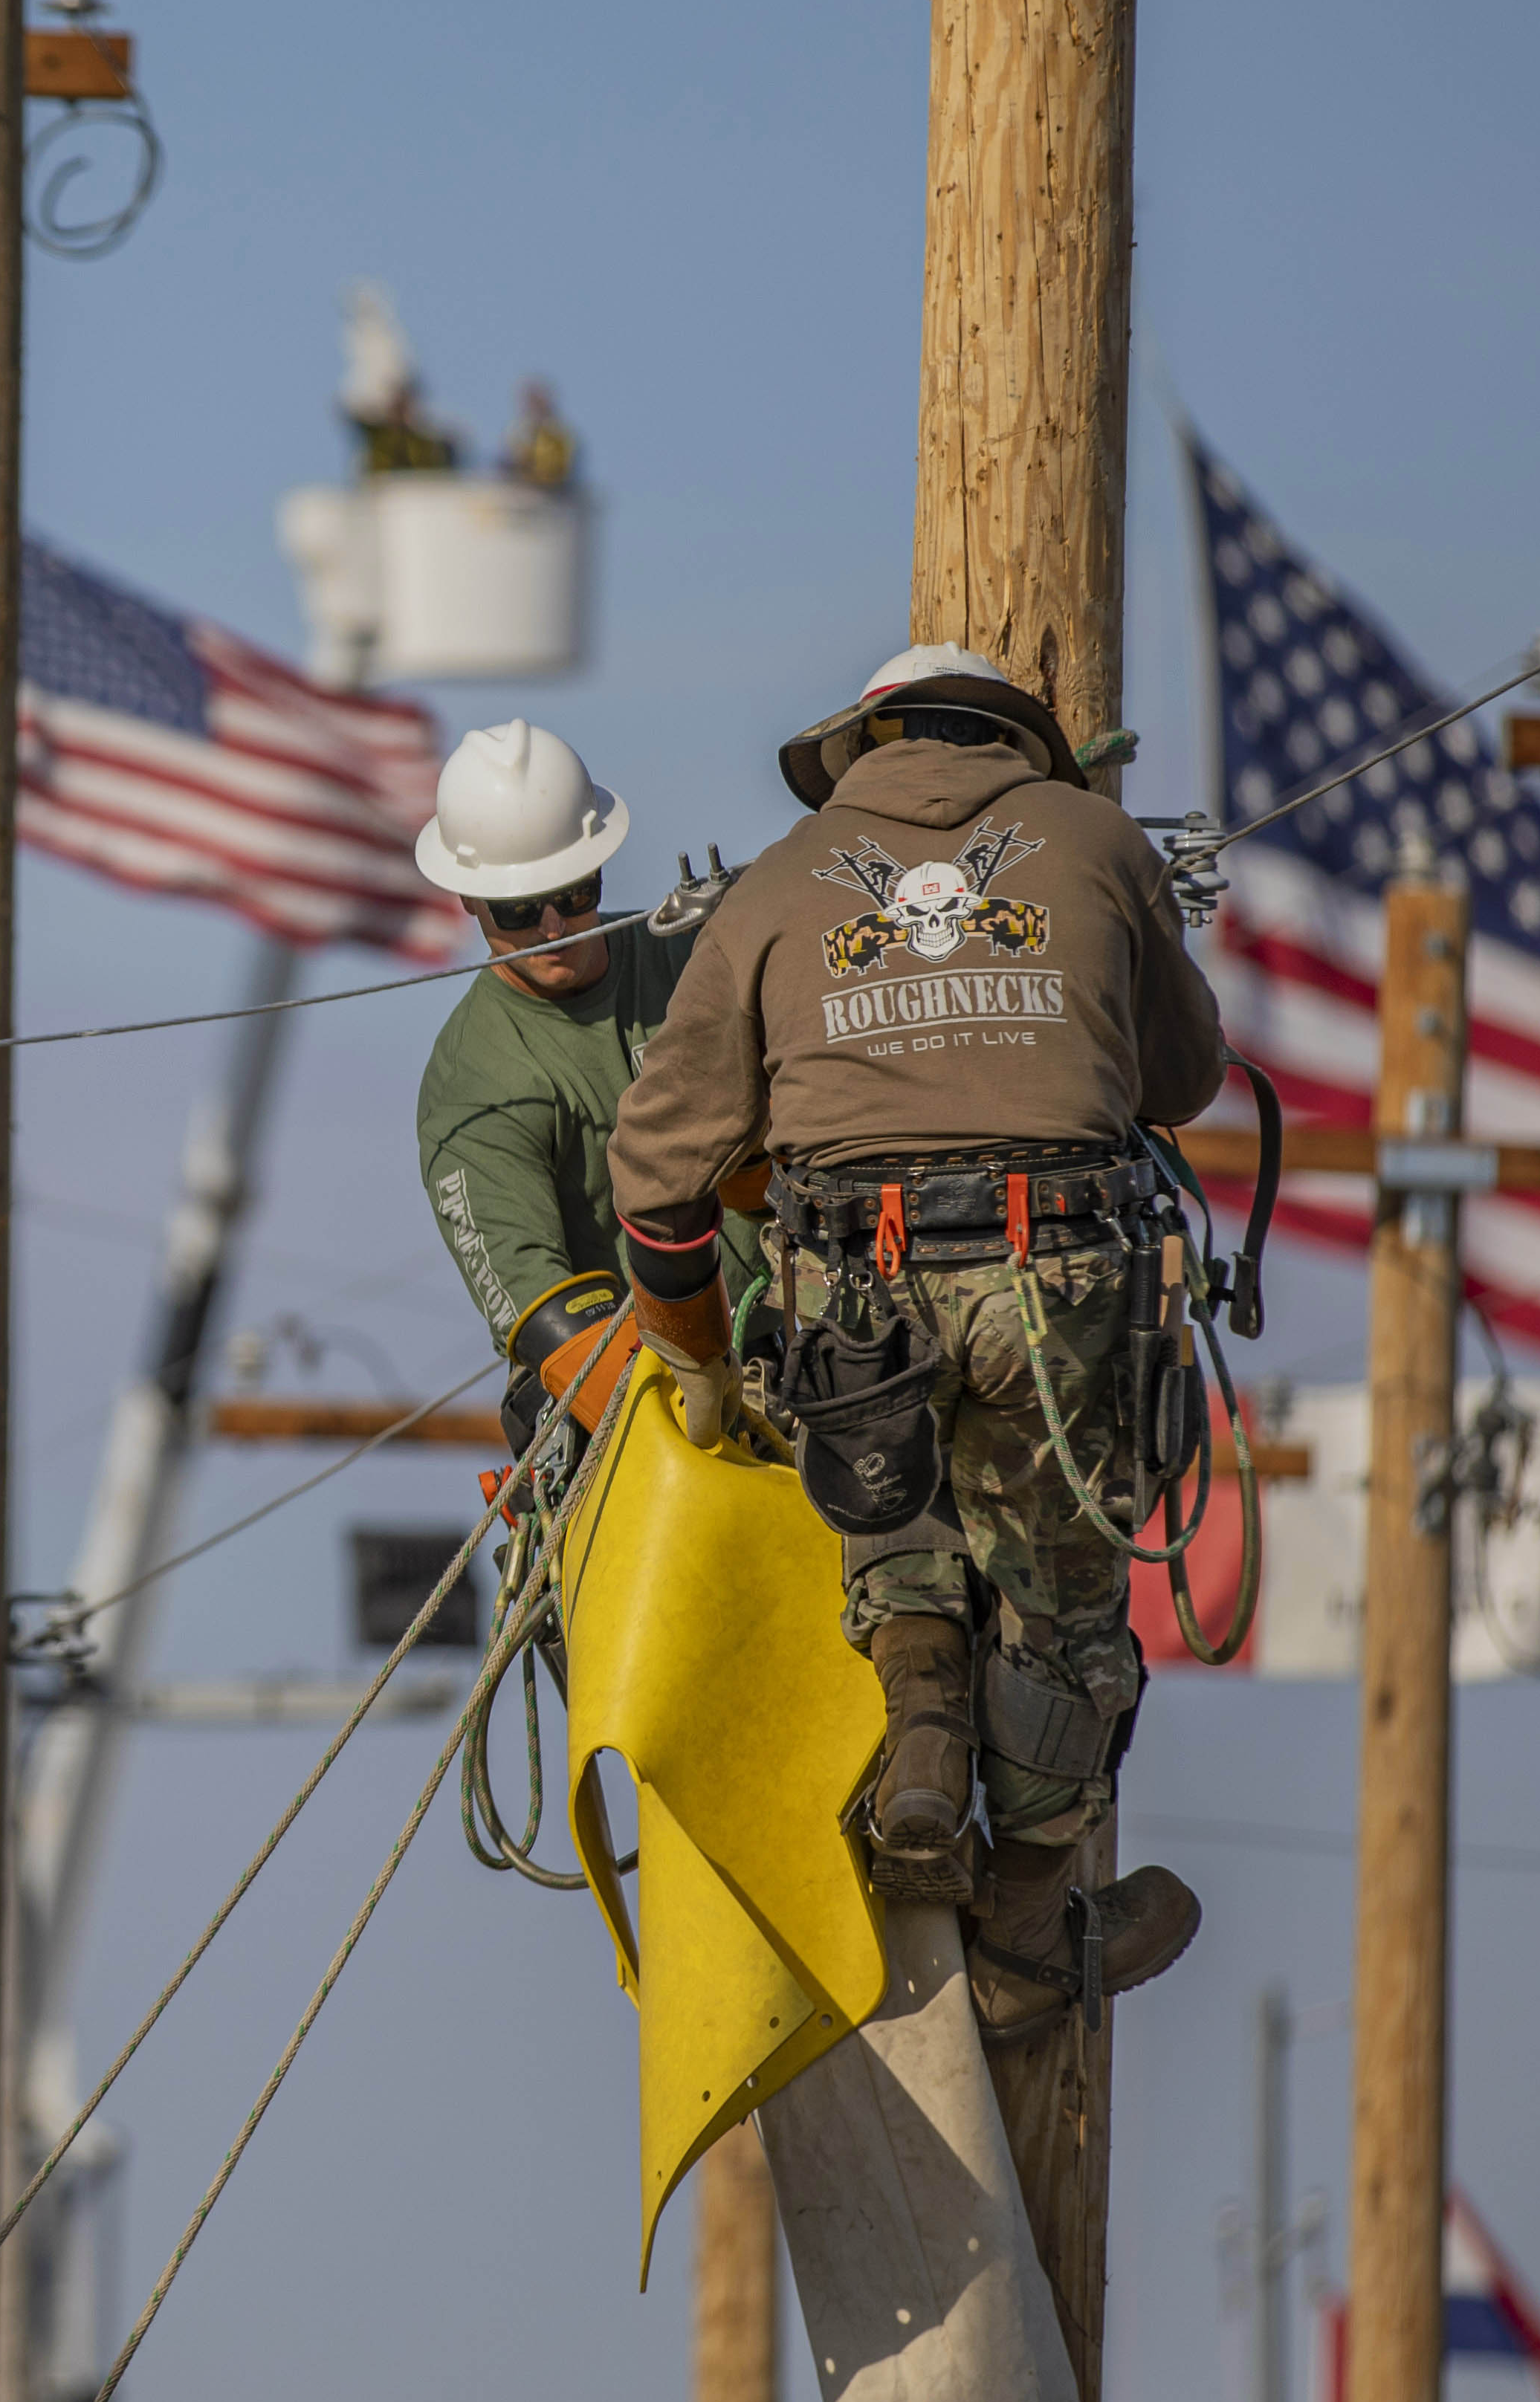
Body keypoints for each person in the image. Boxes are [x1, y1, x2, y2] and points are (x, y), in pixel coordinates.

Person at [606, 642, 1223, 2034]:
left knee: (897, 1524)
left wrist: (700, 1356)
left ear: (867, 748)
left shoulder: (773, 888)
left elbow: (655, 1175)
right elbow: (1183, 1082)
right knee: (1059, 1603)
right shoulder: (1099, 842)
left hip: (848, 1289)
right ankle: (1017, 1941)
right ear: (1017, 742)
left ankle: (928, 1756)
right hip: (1050, 1274)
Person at [407, 719, 737, 1461]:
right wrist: (684, 1430)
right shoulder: (475, 1082)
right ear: (469, 898)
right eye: (521, 910)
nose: (556, 924)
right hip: (657, 1392)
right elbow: (541, 1311)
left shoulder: (698, 953)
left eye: (575, 891)